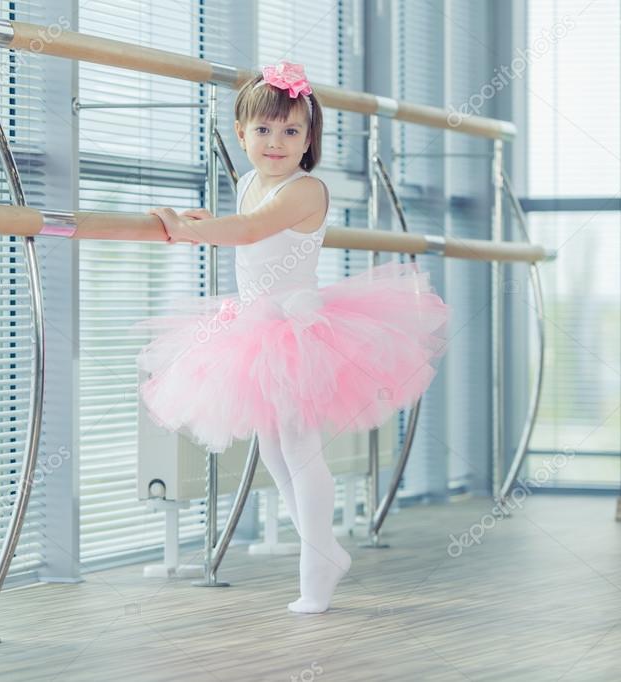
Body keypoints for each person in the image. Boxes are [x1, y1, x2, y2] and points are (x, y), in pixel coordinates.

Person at [134, 60, 451, 614]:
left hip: (297, 330)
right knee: (274, 453)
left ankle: (318, 567)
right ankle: (323, 546)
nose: (275, 142)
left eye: (290, 131)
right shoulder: (250, 181)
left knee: (301, 450)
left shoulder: (308, 190)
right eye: (262, 130)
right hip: (254, 328)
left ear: (309, 140)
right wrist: (202, 220)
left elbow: (254, 230)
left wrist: (189, 231)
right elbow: (246, 227)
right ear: (240, 134)